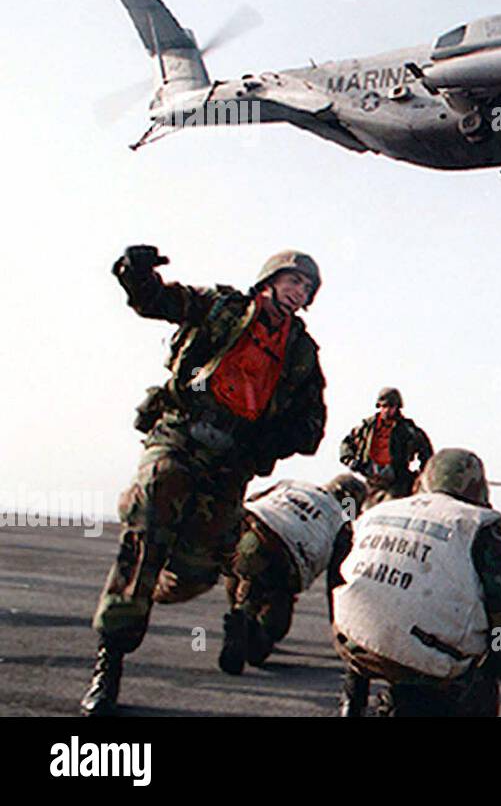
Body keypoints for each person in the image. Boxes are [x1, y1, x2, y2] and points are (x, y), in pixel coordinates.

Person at [80, 247, 327, 716]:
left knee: (196, 573)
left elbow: (313, 425)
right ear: (269, 280)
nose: (299, 292)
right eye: (293, 281)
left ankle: (150, 578)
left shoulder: (300, 354)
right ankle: (109, 665)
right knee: (149, 515)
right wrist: (137, 276)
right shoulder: (222, 308)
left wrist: (277, 437)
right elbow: (160, 302)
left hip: (231, 461)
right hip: (181, 435)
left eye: (307, 288)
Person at [331, 449, 501, 717]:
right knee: (480, 689)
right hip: (429, 658)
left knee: (372, 617)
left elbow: (341, 567)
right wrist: (500, 657)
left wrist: (340, 622)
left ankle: (351, 702)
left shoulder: (375, 512)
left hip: (352, 638)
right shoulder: (476, 526)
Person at [219, 473, 366, 674]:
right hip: (286, 557)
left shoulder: (294, 484)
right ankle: (251, 628)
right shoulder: (342, 522)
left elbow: (252, 500)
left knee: (242, 568)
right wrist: (342, 634)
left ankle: (241, 614)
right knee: (272, 632)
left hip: (251, 527)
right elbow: (337, 584)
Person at [339, 387, 433, 509]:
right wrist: (349, 459)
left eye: (390, 407)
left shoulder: (407, 430)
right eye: (383, 406)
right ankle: (347, 526)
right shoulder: (367, 427)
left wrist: (421, 475)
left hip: (397, 483)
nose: (386, 410)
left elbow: (426, 452)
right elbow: (347, 443)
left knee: (387, 510)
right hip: (371, 479)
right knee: (348, 500)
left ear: (397, 407)